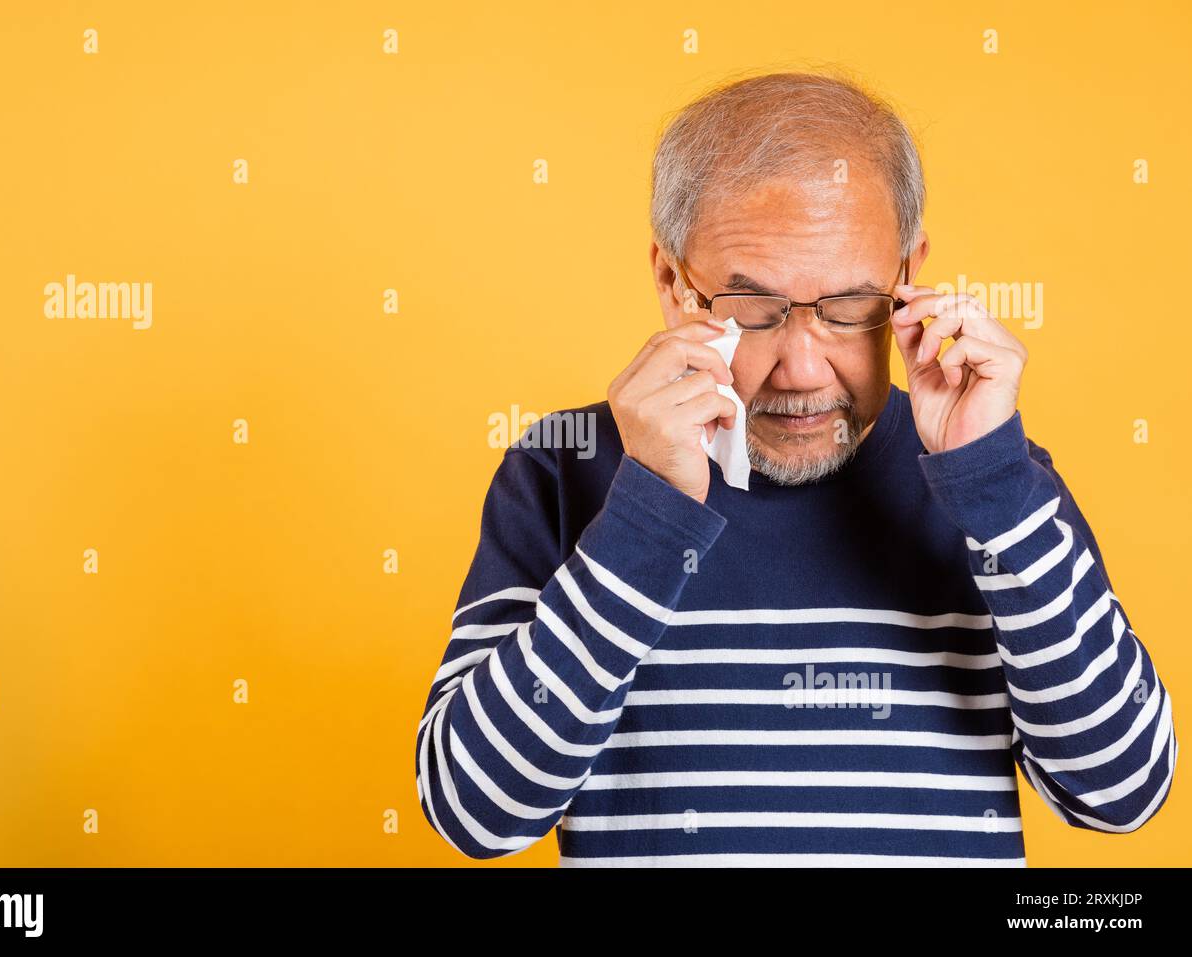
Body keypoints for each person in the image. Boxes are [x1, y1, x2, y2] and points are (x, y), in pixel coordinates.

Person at [415, 71, 1177, 866]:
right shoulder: (564, 468)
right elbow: (478, 812)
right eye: (753, 311)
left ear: (909, 274)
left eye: (850, 307)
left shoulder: (993, 480)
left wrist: (993, 484)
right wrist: (649, 513)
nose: (803, 368)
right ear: (674, 284)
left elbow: (1121, 791)